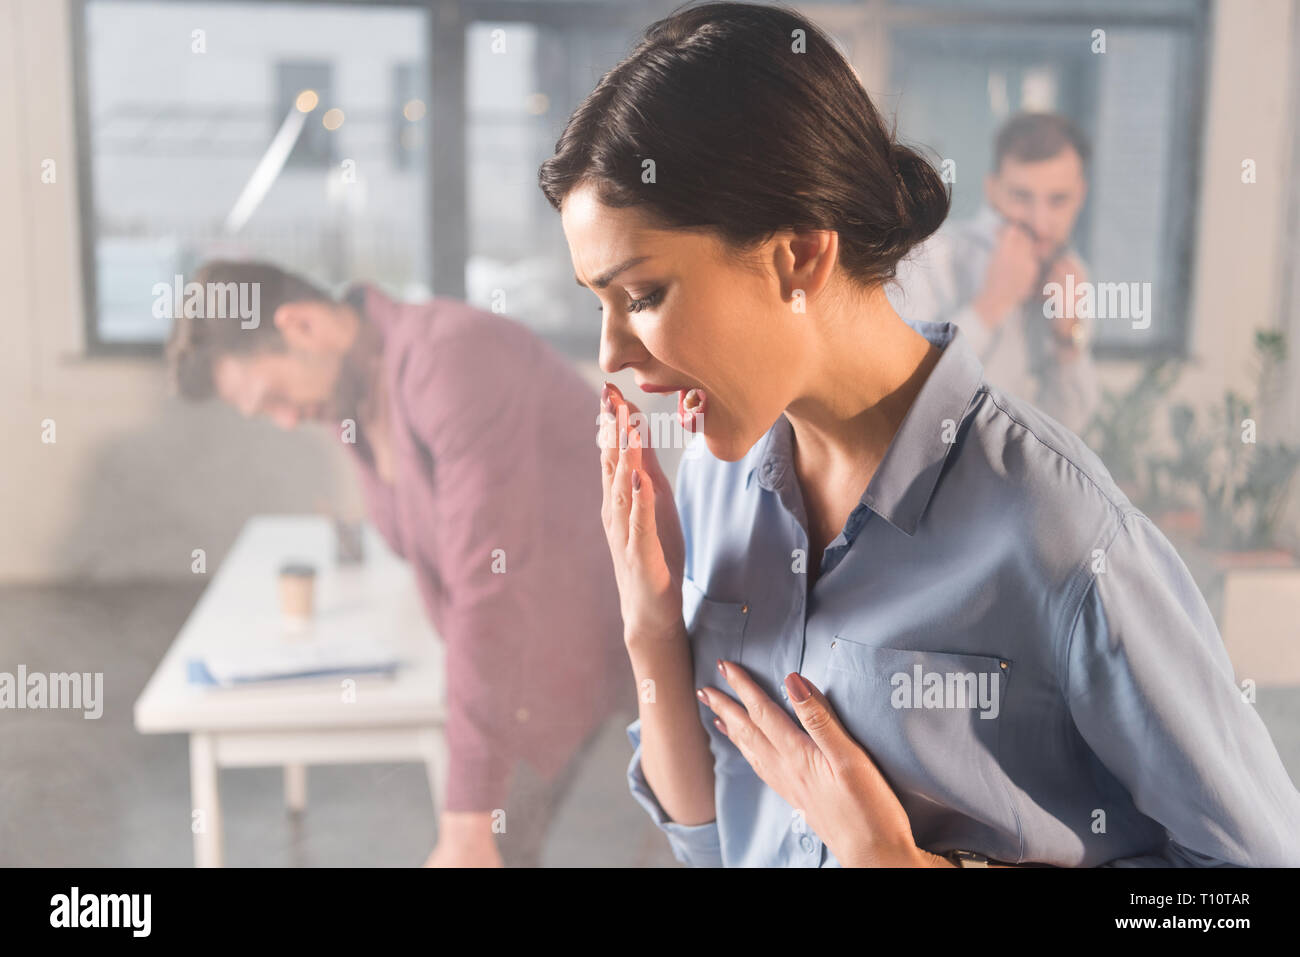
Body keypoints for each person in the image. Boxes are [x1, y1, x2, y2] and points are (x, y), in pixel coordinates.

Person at [538, 1, 1300, 867]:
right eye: (596, 304)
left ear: (798, 256)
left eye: (642, 297)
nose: (611, 354)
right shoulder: (717, 479)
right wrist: (649, 625)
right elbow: (713, 842)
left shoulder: (1060, 535)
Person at [165, 261, 635, 867]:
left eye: (274, 397)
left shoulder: (450, 359)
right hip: (526, 658)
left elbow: (485, 590)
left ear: (301, 324)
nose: (284, 419)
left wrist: (466, 820)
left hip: (607, 643)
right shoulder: (352, 399)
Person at [888, 111, 1100, 436]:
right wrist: (990, 305)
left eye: (1058, 201)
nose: (1040, 223)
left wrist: (1068, 337)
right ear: (993, 190)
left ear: (1080, 196)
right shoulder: (931, 257)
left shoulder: (1071, 276)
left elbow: (1066, 434)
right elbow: (903, 399)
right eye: (1021, 197)